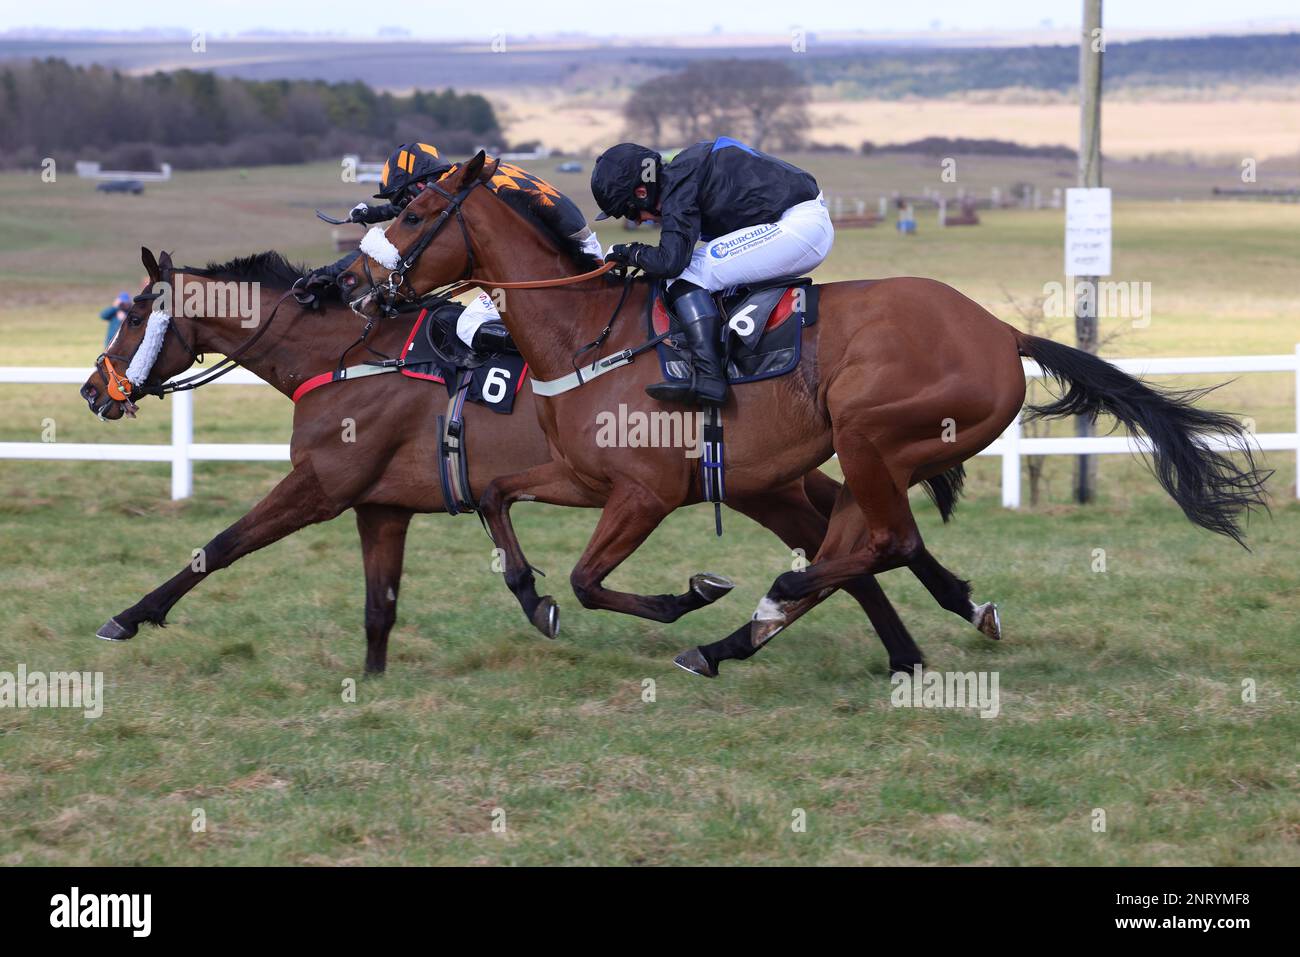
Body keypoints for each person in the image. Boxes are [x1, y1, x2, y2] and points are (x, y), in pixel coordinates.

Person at [591, 137, 833, 405]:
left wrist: (628, 252)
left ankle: (709, 379)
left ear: (641, 193)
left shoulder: (679, 188)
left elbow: (671, 262)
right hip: (800, 220)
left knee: (687, 275)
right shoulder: (682, 175)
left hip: (800, 227)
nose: (636, 221)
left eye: (630, 213)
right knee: (695, 268)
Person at [308, 142, 603, 353]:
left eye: (403, 198)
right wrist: (374, 213)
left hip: (565, 261)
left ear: (421, 185)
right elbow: (423, 210)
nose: (401, 206)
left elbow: (425, 217)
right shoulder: (469, 179)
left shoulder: (471, 193)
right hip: (572, 247)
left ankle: (545, 366)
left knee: (470, 324)